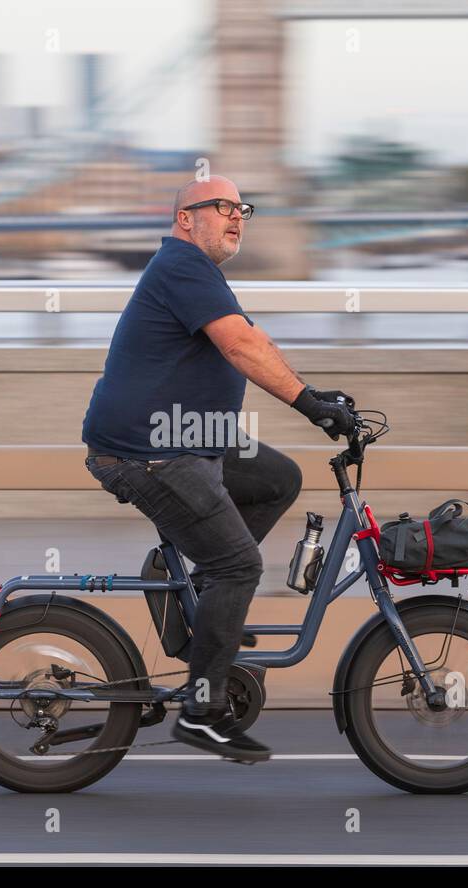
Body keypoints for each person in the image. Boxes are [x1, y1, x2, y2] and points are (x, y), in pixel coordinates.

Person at [81, 176, 356, 762]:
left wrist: (319, 393)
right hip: (149, 450)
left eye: (242, 209)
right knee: (238, 564)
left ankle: (199, 608)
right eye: (223, 208)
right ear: (186, 218)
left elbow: (256, 340)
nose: (237, 218)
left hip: (190, 439)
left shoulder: (199, 274)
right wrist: (308, 407)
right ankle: (203, 712)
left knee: (277, 479)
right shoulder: (181, 265)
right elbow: (239, 346)